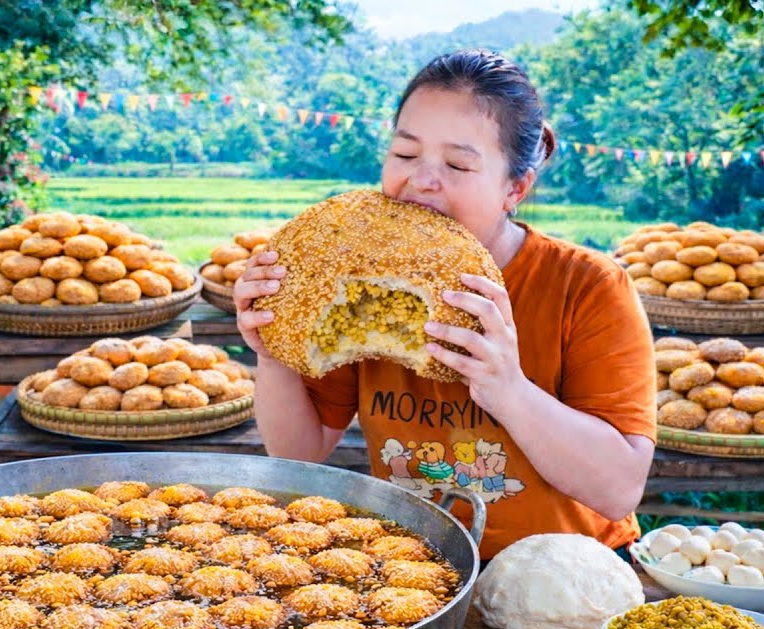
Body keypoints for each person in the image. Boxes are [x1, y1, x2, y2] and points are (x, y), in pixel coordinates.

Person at [233, 49, 657, 558]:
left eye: (457, 163)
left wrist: (508, 389)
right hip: (414, 569)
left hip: (568, 575)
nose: (422, 180)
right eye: (405, 154)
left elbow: (618, 489)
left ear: (514, 188)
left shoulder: (586, 285)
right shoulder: (357, 284)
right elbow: (299, 451)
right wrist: (273, 347)